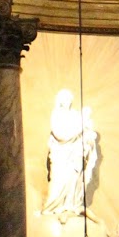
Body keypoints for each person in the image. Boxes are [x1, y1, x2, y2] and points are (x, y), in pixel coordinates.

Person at [40, 89, 99, 225]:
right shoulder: (56, 115)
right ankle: (52, 207)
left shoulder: (74, 115)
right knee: (58, 183)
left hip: (74, 157)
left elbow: (86, 135)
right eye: (64, 99)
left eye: (69, 100)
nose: (66, 102)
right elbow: (61, 135)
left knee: (73, 182)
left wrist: (86, 134)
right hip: (61, 156)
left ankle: (70, 206)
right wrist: (80, 125)